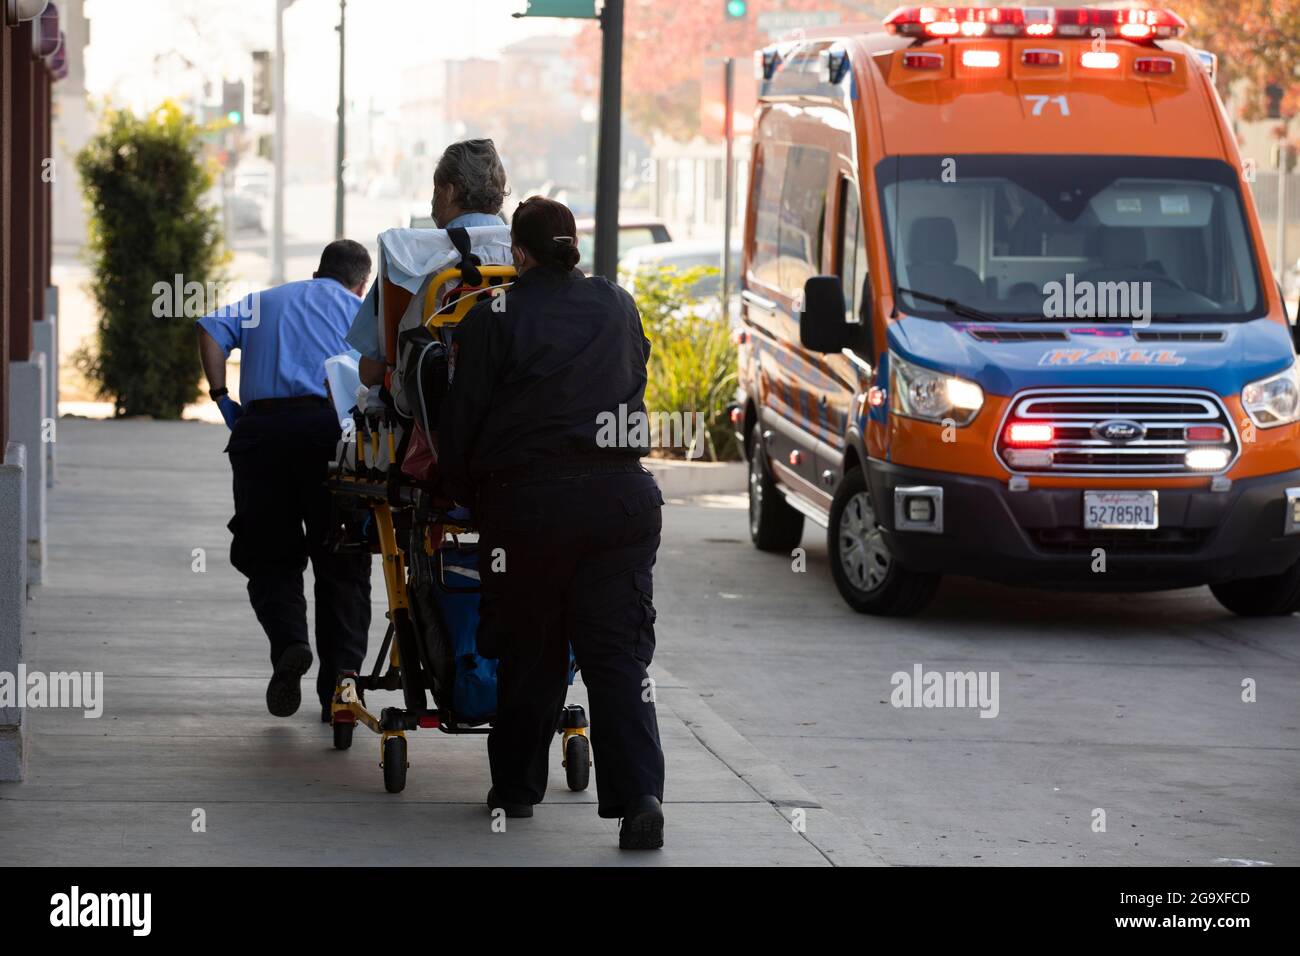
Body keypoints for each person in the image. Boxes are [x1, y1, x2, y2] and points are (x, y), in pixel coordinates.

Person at [439, 197, 667, 850]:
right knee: (619, 658)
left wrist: (468, 496)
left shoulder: (494, 317)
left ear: (518, 252)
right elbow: (634, 380)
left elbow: (461, 423)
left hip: (528, 509)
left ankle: (515, 788)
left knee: (529, 651)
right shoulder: (617, 304)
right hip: (620, 501)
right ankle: (639, 797)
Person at [196, 240, 373, 722]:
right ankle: (340, 689)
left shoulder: (264, 301)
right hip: (330, 441)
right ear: (360, 282)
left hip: (261, 436)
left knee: (268, 552)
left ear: (317, 271)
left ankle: (291, 642)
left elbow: (210, 330)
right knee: (342, 565)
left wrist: (220, 396)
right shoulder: (361, 310)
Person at [348, 138, 511, 387]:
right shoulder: (523, 255)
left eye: (436, 190)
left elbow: (370, 372)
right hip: (511, 398)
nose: (433, 200)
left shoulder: (407, 258)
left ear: (449, 191)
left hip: (431, 410)